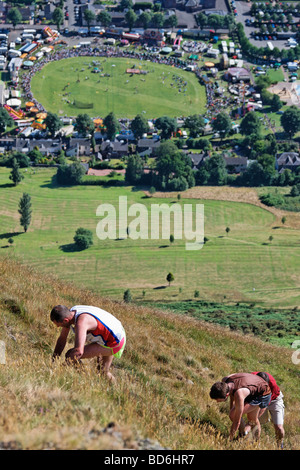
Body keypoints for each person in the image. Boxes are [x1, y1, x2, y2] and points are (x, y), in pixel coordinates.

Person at [50, 304, 126, 382]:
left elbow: (78, 352)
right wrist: (53, 360)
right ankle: (114, 389)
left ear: (66, 320)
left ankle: (87, 380)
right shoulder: (72, 312)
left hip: (115, 341)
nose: (58, 327)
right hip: (116, 330)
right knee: (103, 372)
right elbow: (62, 340)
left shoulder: (81, 322)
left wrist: (60, 370)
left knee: (71, 355)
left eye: (59, 325)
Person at [210, 373, 271, 441]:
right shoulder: (225, 381)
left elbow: (237, 421)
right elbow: (232, 395)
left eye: (218, 400)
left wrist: (230, 439)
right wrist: (231, 408)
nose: (217, 402)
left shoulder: (239, 394)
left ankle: (243, 435)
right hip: (254, 387)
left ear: (226, 395)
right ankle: (248, 437)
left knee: (235, 414)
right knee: (250, 418)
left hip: (263, 394)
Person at [252, 371, 285, 449]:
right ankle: (256, 444)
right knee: (255, 422)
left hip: (274, 400)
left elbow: (266, 402)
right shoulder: (251, 378)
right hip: (259, 399)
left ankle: (280, 445)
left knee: (279, 428)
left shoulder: (272, 383)